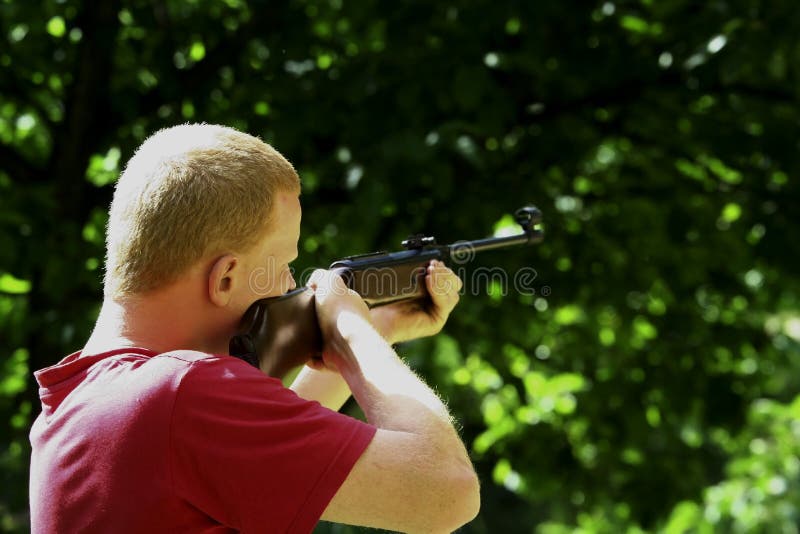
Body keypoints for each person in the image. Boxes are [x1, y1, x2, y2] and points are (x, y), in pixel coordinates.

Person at [29, 123, 480, 533]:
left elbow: (263, 446)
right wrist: (351, 330)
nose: (288, 284)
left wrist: (374, 328)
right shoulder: (182, 392)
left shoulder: (79, 405)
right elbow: (448, 489)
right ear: (225, 278)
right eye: (283, 265)